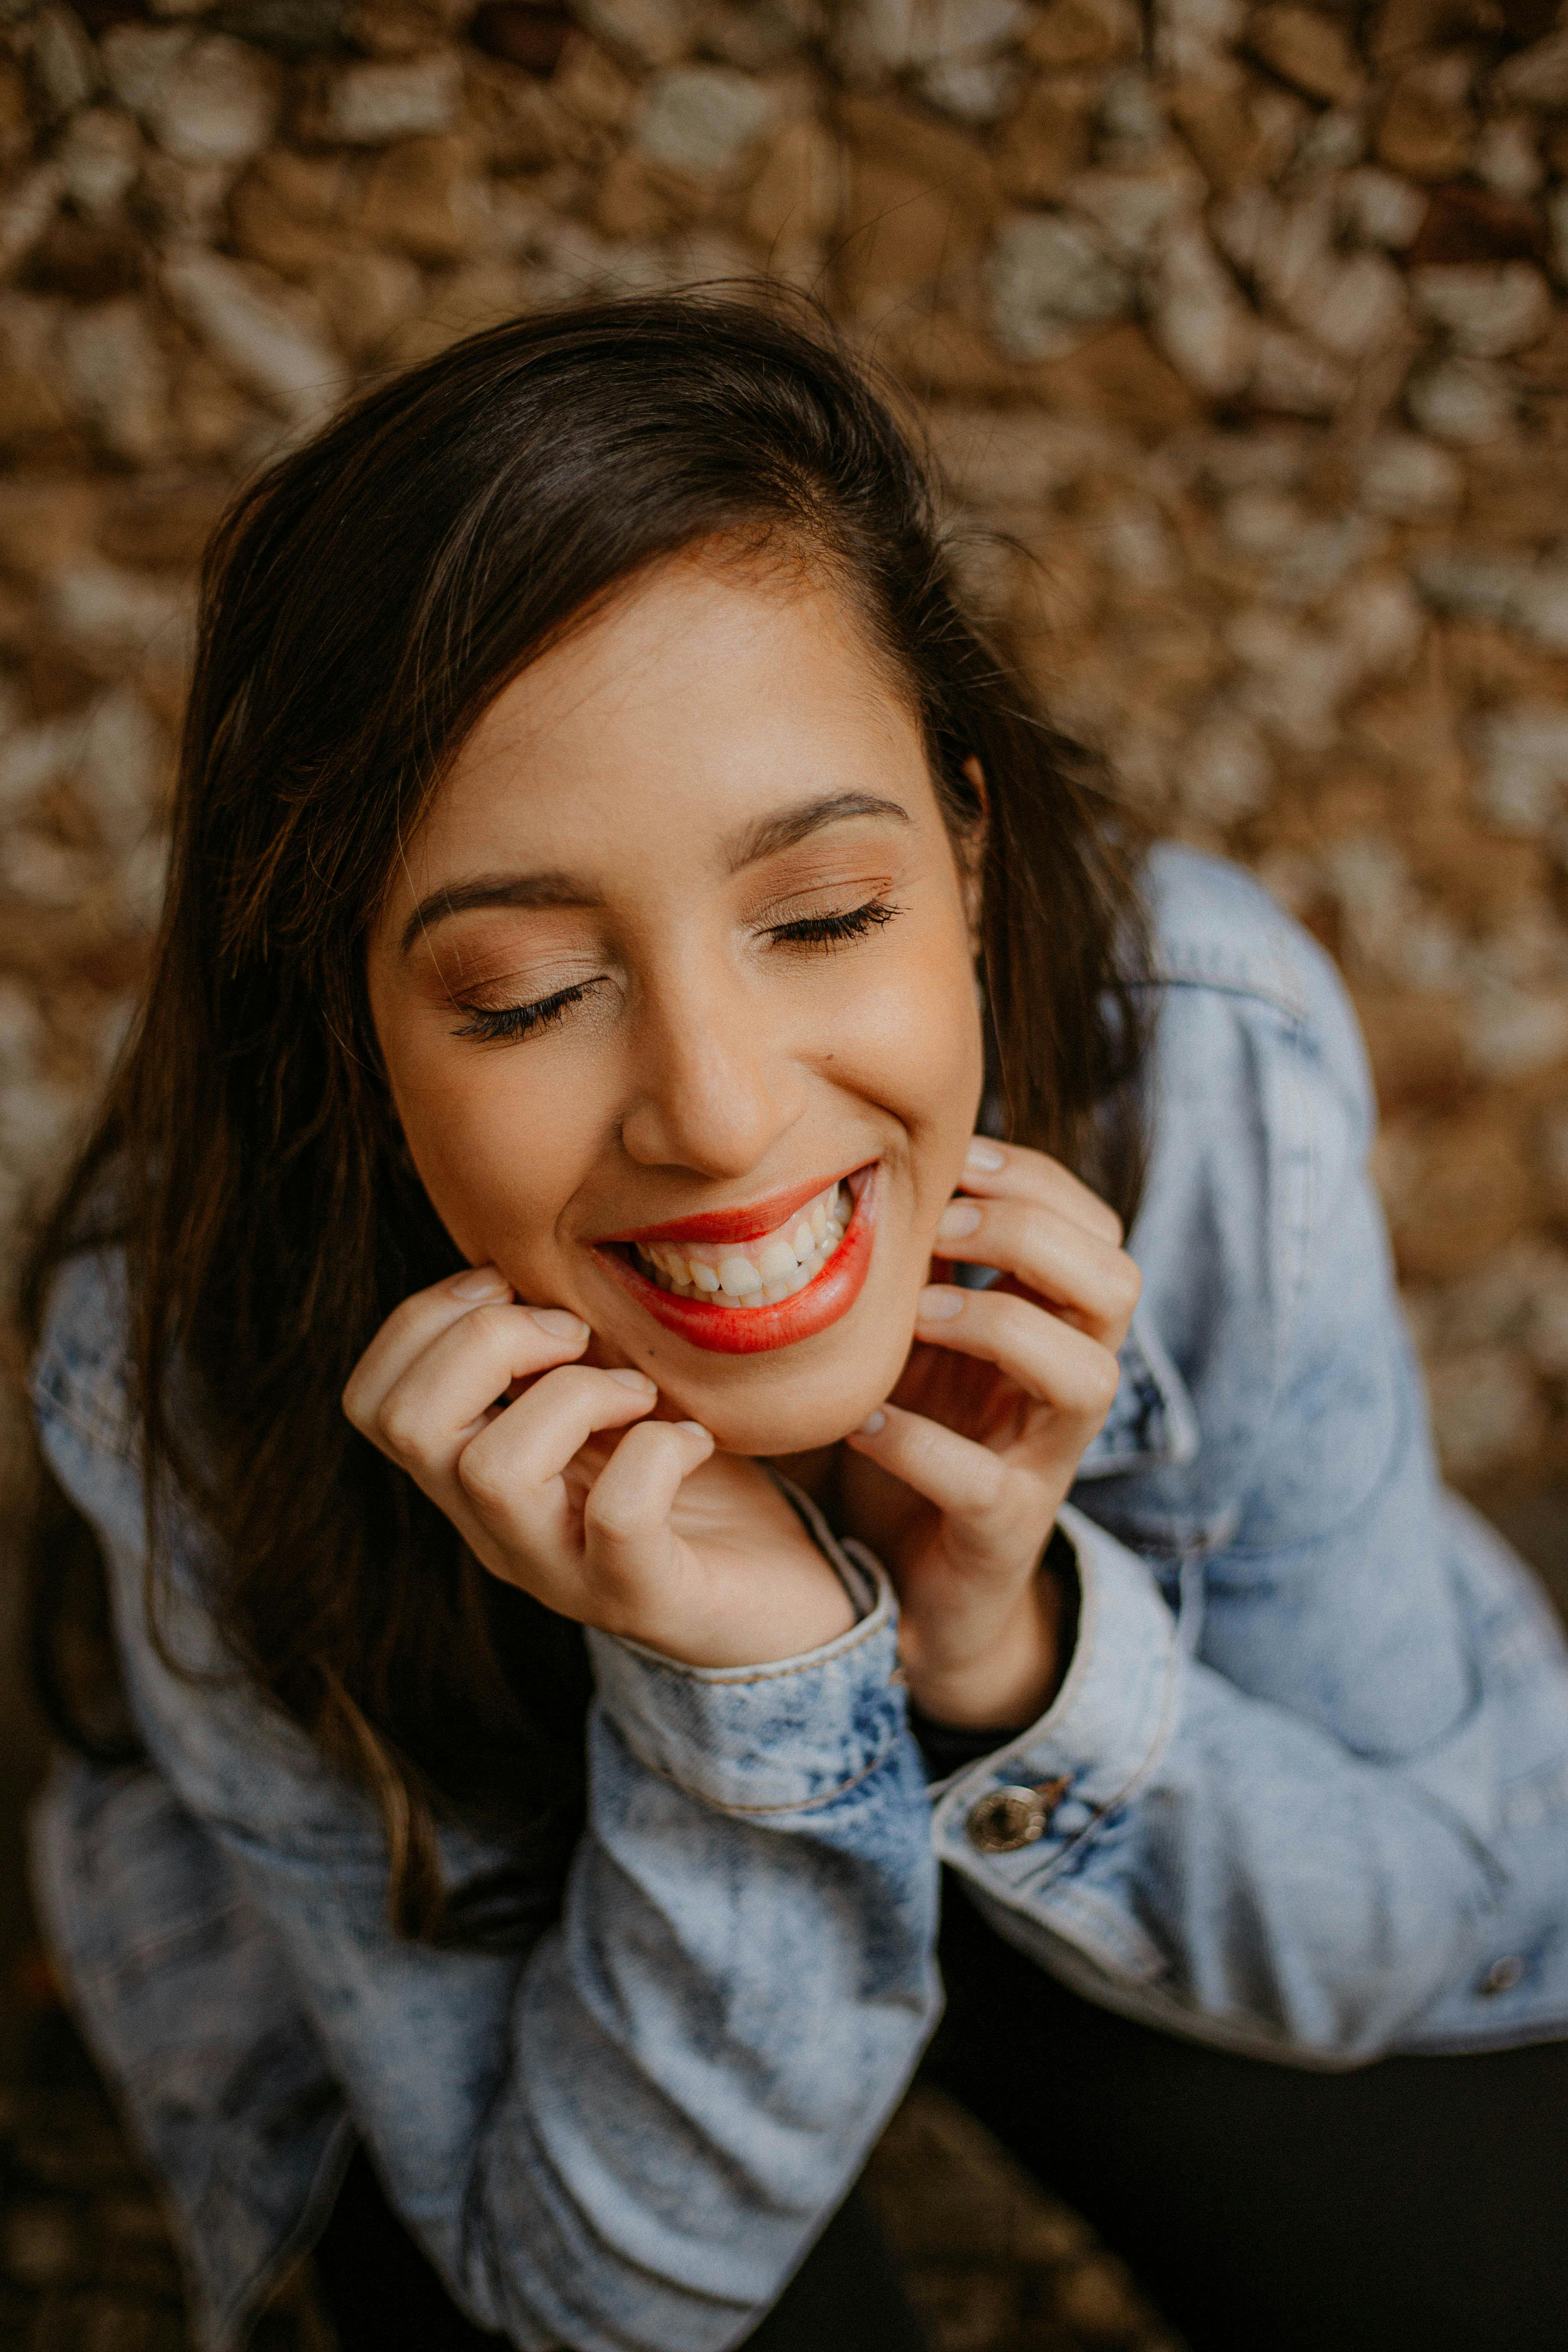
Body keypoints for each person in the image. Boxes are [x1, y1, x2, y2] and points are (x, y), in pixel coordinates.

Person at [21, 293, 1568, 2352]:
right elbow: (583, 2292)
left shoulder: (1192, 1057)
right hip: (568, 2036)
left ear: (963, 835)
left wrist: (1001, 1659)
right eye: (526, 993)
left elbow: (1409, 1933)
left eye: (825, 917)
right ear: (349, 1010)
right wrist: (749, 1686)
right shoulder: (178, 1343)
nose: (724, 1112)